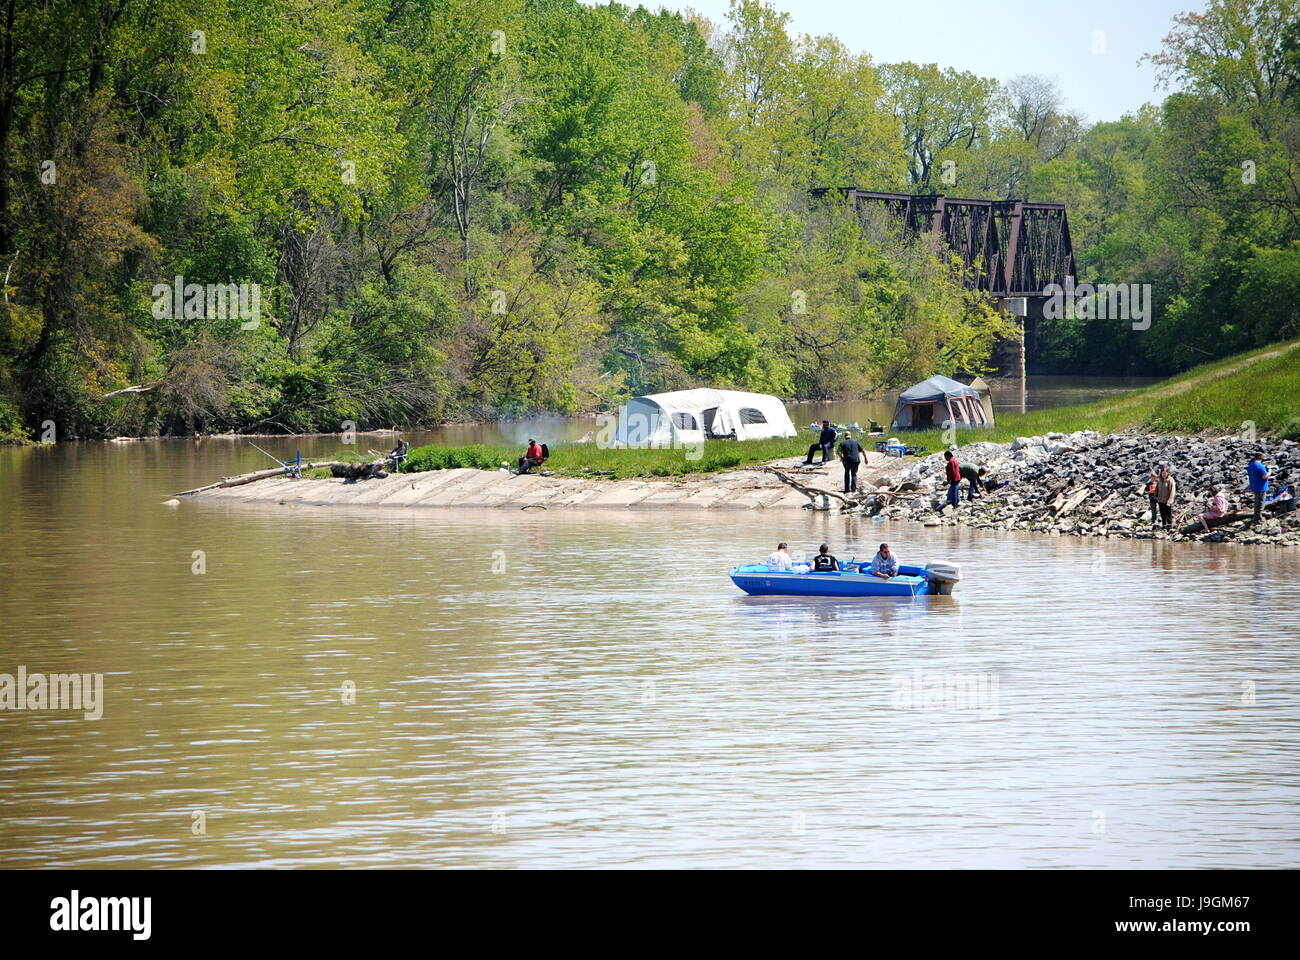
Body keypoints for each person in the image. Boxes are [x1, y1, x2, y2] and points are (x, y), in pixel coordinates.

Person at [1248, 455, 1271, 524]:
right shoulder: (1260, 465)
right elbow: (1264, 476)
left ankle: (1256, 518)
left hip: (1254, 486)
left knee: (1257, 503)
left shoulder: (1251, 465)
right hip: (1261, 487)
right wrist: (1269, 472)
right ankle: (1258, 519)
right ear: (1261, 458)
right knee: (1260, 504)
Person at [1155, 464, 1176, 529]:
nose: (1163, 474)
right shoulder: (1160, 480)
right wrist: (1156, 496)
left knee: (1168, 513)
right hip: (1160, 500)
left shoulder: (1170, 480)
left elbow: (1173, 491)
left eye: (1165, 473)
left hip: (1167, 500)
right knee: (1162, 513)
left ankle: (1169, 525)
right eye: (1162, 473)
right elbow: (1157, 488)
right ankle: (1164, 525)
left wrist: (1170, 501)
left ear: (1167, 473)